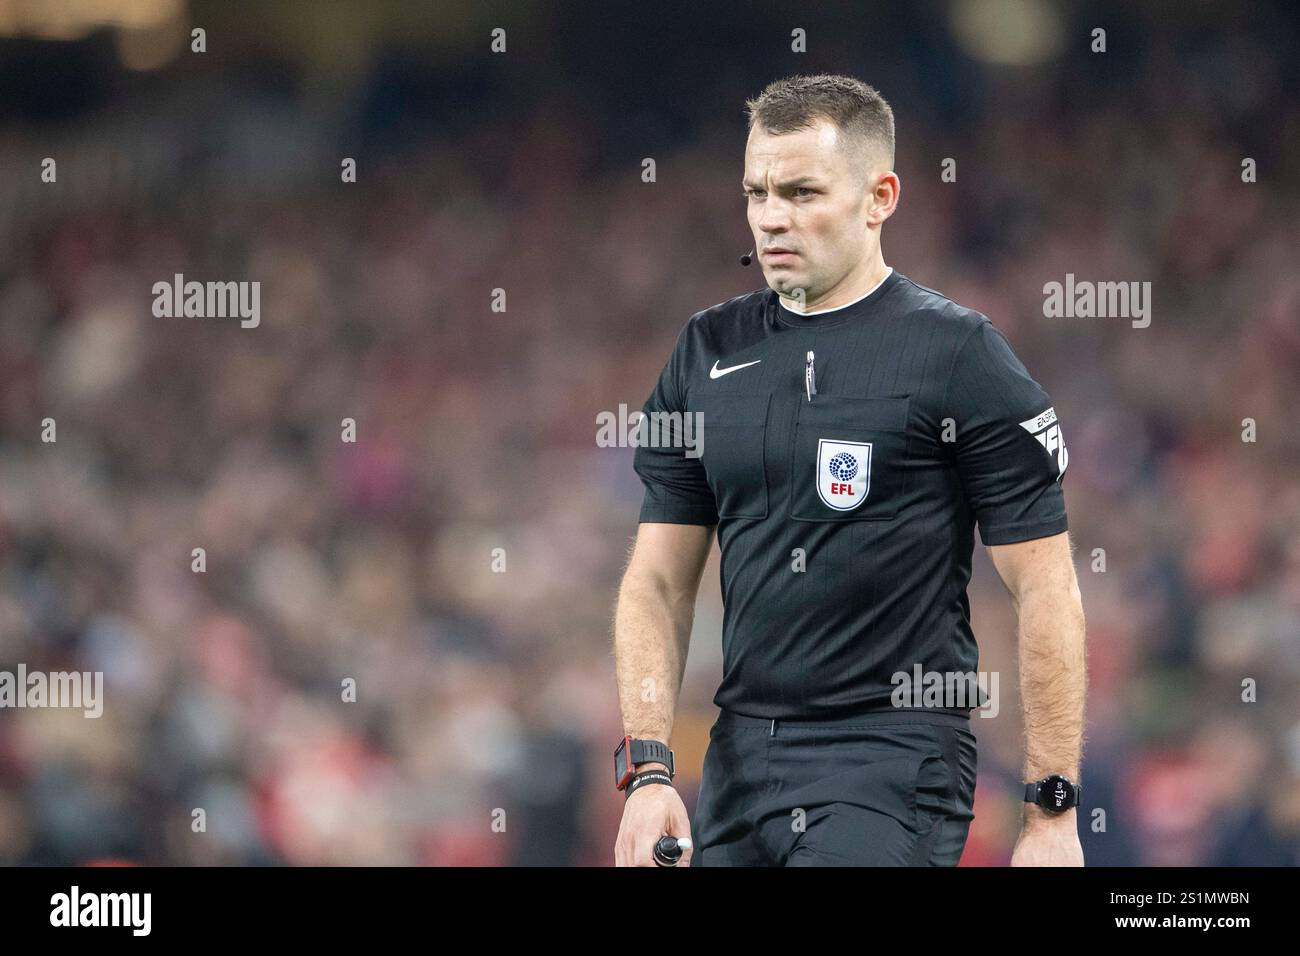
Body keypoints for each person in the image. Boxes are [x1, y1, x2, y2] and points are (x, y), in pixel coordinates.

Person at [612, 74, 1086, 866]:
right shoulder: (705, 350)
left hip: (892, 755)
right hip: (738, 760)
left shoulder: (959, 356)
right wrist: (649, 770)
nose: (770, 217)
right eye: (756, 192)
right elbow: (657, 581)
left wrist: (1051, 812)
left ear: (880, 197)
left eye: (801, 191)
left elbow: (1046, 586)